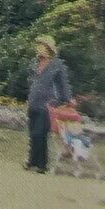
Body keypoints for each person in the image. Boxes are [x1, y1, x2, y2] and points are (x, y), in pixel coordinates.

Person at [25, 34, 73, 174]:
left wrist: (65, 99)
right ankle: (32, 161)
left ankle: (42, 165)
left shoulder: (57, 65)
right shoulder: (34, 63)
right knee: (33, 133)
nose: (37, 48)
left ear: (48, 49)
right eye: (38, 46)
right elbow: (30, 81)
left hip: (47, 105)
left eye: (40, 46)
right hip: (33, 102)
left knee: (40, 133)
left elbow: (63, 85)